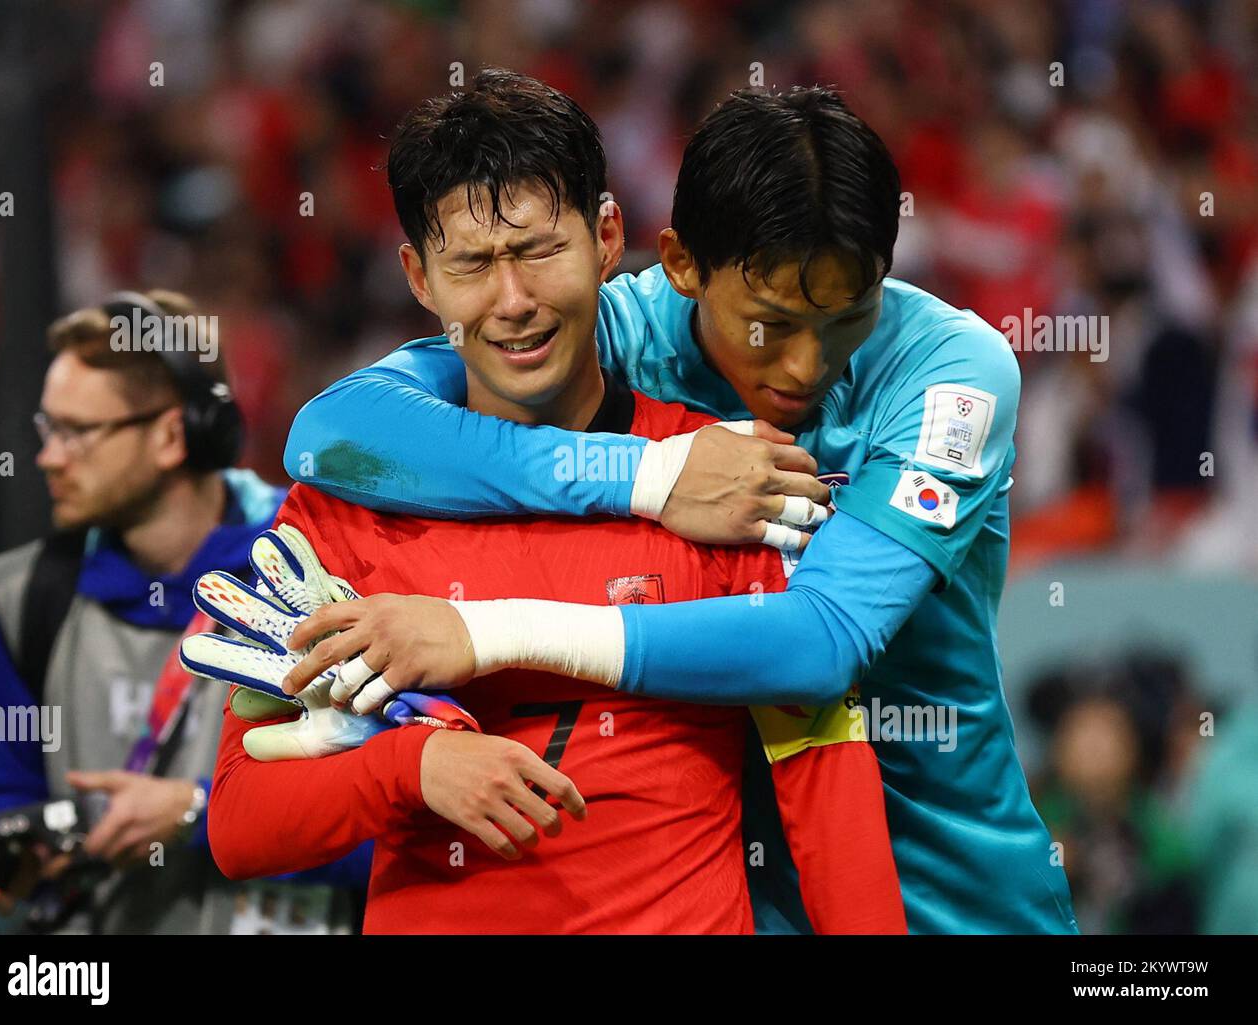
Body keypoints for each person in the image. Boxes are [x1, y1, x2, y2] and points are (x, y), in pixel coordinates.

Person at [281, 80, 1078, 935]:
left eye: (848, 315)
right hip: (734, 900)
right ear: (682, 265)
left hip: (954, 896)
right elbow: (330, 435)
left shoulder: (951, 374)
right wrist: (645, 475)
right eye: (770, 323)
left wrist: (491, 633)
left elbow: (820, 642)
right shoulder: (614, 329)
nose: (808, 366)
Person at [196, 69, 904, 934]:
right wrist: (415, 769)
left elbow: (825, 780)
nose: (514, 302)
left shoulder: (728, 483)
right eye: (472, 264)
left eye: (539, 250)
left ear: (607, 237)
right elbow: (236, 822)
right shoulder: (342, 509)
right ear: (420, 277)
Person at [0, 290, 362, 933]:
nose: (48, 458)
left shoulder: (320, 566)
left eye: (76, 433)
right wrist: (2, 850)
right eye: (46, 428)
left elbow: (386, 828)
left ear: (174, 434)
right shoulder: (25, 594)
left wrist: (198, 816)